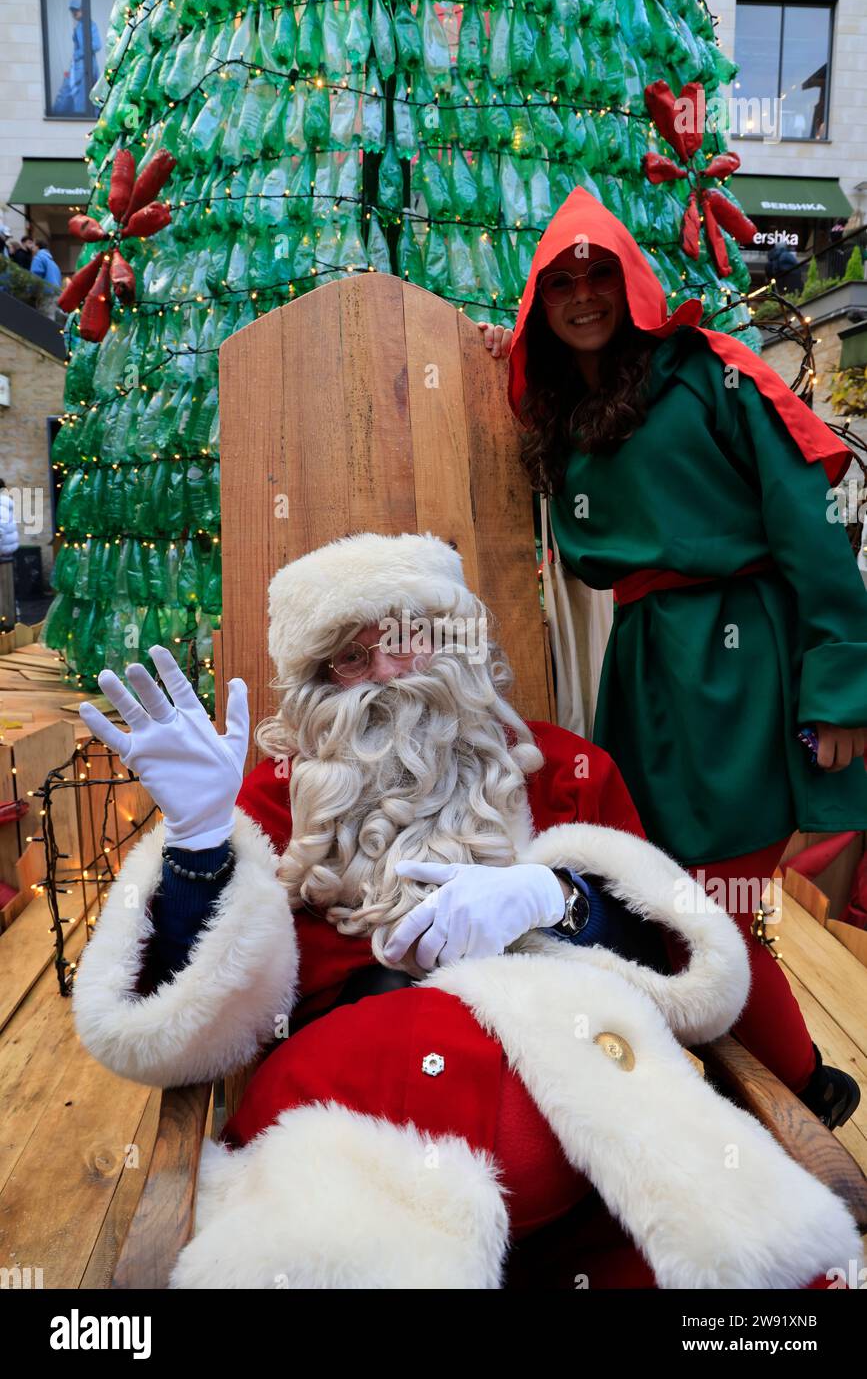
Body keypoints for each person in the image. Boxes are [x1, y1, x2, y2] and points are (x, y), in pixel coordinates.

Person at [71, 531, 859, 1288]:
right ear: (317, 687)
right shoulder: (278, 802)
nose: (384, 671)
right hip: (353, 1126)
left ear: (457, 644)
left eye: (406, 637)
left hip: (591, 1127)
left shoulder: (562, 771)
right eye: (349, 656)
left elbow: (667, 955)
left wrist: (558, 900)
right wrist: (200, 846)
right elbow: (180, 1016)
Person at [478, 185, 867, 1122]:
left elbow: (808, 529)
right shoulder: (566, 406)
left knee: (713, 901)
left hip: (740, 660)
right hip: (645, 661)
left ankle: (802, 1094)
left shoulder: (711, 371)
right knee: (659, 889)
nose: (582, 295)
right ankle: (767, 1090)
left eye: (598, 274)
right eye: (559, 281)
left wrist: (843, 688)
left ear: (631, 282)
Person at [52, 0, 102, 115]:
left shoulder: (89, 25)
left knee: (76, 93)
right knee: (76, 94)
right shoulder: (79, 26)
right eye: (72, 10)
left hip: (86, 67)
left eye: (77, 10)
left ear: (82, 10)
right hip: (79, 66)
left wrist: (79, 54)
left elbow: (97, 44)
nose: (74, 13)